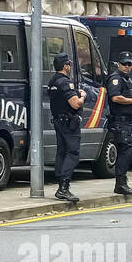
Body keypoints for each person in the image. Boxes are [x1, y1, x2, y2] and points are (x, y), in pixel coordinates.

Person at [106, 51, 132, 197]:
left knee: (127, 152)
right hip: (119, 121)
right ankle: (120, 183)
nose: (127, 67)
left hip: (127, 121)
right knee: (125, 151)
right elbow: (115, 97)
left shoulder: (126, 79)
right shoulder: (116, 78)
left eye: (129, 64)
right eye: (124, 64)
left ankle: (122, 182)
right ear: (118, 64)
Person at [47, 51, 84, 203]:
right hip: (69, 123)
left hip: (58, 121)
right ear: (65, 66)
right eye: (68, 64)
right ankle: (64, 186)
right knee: (73, 152)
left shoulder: (52, 81)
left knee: (61, 152)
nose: (70, 66)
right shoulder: (64, 82)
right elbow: (75, 103)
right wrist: (82, 96)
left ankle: (60, 183)